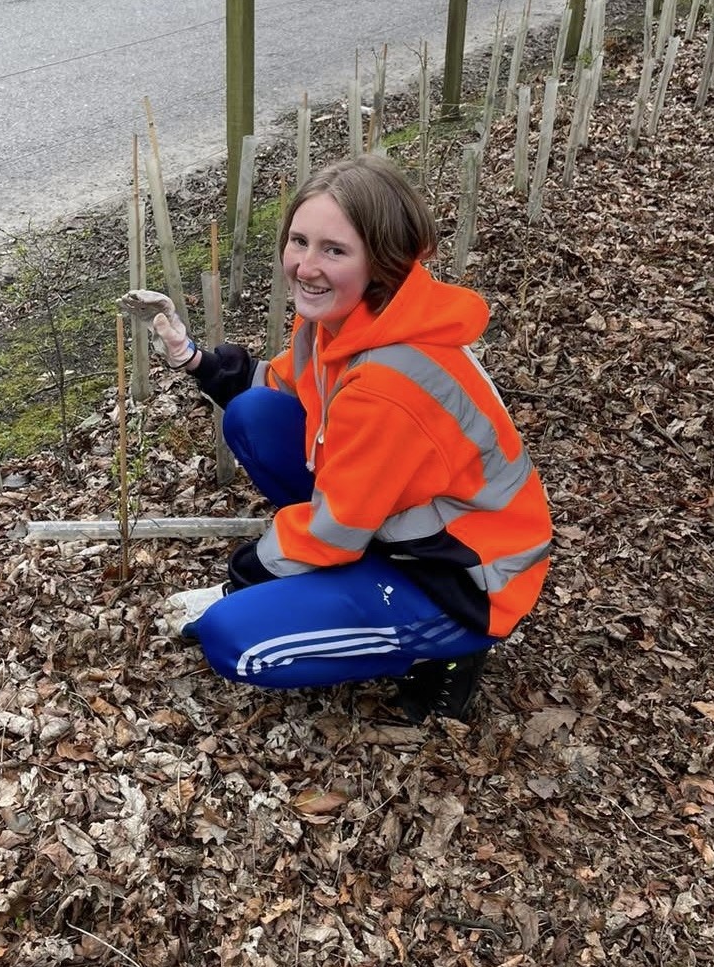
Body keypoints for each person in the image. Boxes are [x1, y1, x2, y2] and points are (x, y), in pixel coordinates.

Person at [120, 155, 552, 722]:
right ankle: (350, 590)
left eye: (335, 250)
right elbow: (278, 387)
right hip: (407, 522)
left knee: (237, 642)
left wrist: (239, 580)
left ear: (382, 261)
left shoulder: (387, 383)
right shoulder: (347, 321)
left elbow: (335, 531)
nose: (305, 266)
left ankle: (449, 648)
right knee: (253, 415)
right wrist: (192, 356)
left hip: (465, 575)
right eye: (299, 241)